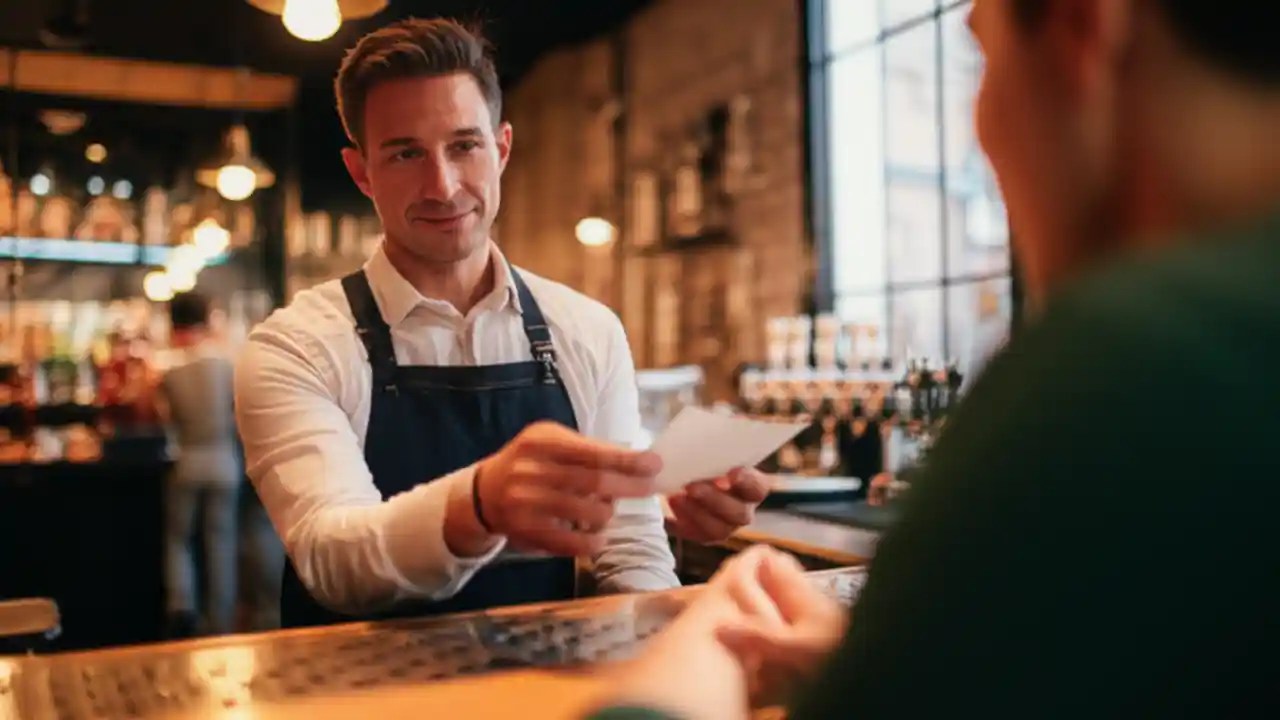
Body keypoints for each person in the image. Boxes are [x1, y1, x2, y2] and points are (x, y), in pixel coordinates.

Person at [591, 0, 1280, 717]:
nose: (978, 132)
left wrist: (699, 654)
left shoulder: (1136, 358)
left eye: (983, 60)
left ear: (1082, 29)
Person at [233, 18, 769, 629]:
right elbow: (332, 560)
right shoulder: (298, 346)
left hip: (544, 685)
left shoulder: (588, 331)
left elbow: (630, 548)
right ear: (362, 173)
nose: (443, 186)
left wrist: (658, 659)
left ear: (502, 148)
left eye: (464, 145)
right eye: (406, 153)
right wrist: (478, 505)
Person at [156, 292, 241, 637]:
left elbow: (164, 420)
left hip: (187, 460)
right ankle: (220, 617)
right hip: (224, 462)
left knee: (179, 538)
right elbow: (240, 417)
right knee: (220, 540)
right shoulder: (228, 365)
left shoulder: (170, 371)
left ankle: (182, 607)